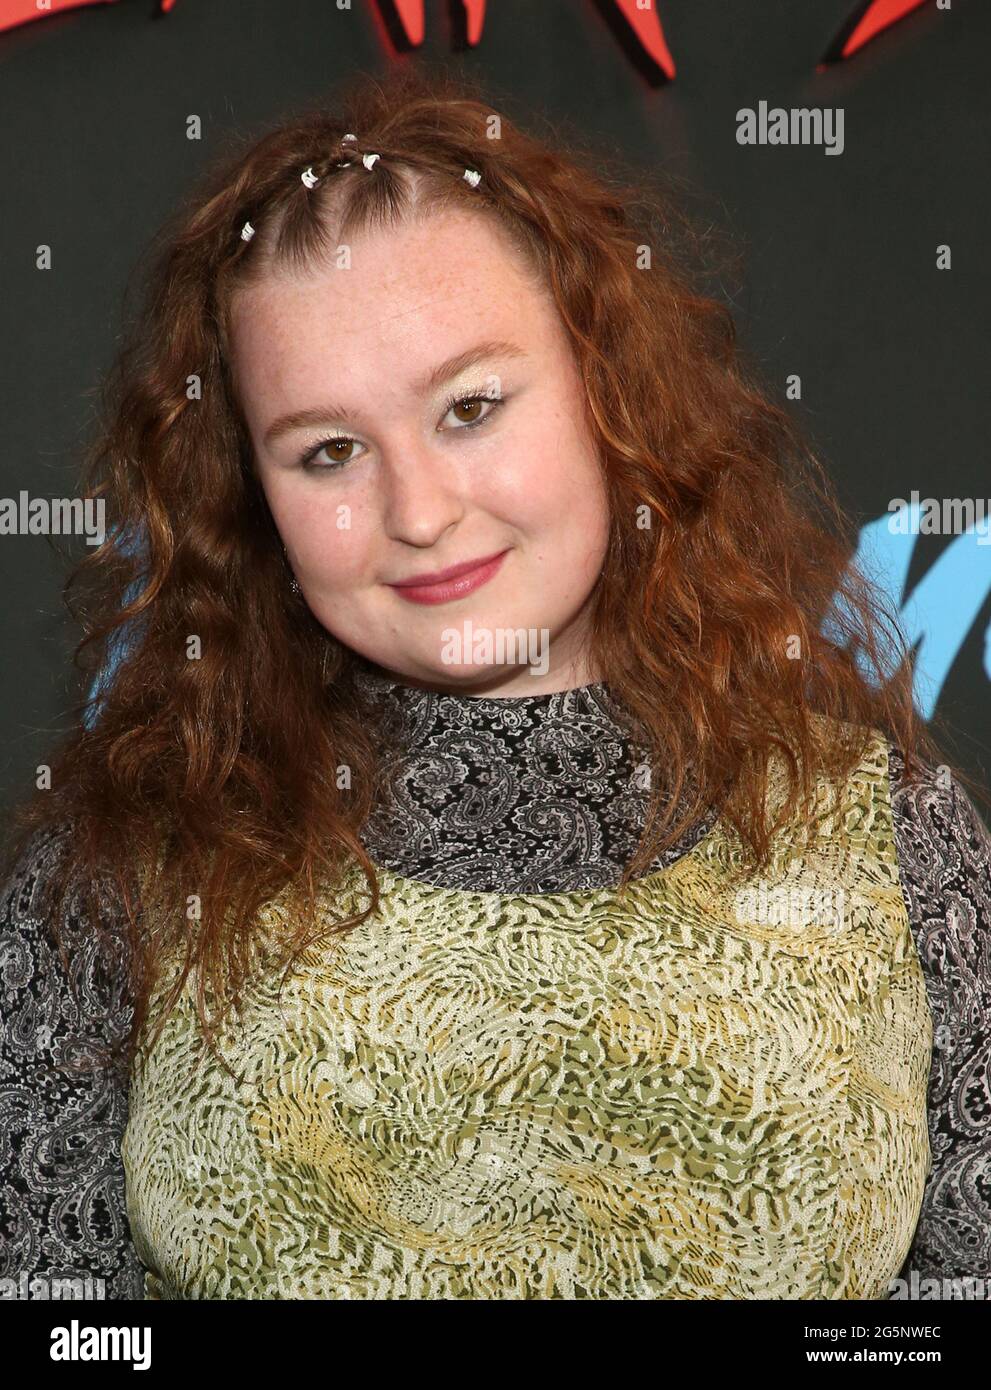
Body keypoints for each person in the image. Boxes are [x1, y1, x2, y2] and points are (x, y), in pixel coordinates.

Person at [1, 69, 989, 1301]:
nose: (418, 511)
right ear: (252, 497)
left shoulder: (884, 837)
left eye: (470, 407)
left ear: (606, 393)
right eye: (329, 451)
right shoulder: (121, 872)